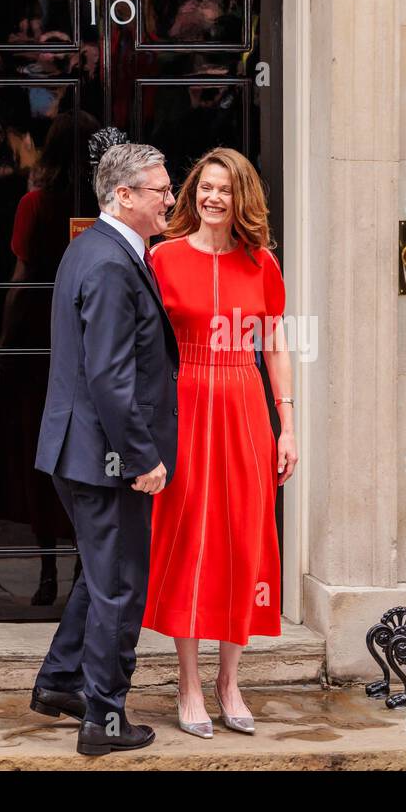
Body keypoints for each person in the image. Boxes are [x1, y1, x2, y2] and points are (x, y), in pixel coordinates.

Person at [142, 147, 298, 738]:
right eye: (205, 188)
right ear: (191, 195)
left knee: (241, 539)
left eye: (225, 190)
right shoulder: (162, 258)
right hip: (183, 406)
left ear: (242, 199)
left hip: (244, 408)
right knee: (187, 539)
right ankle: (188, 684)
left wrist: (288, 424)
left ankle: (230, 681)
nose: (213, 198)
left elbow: (274, 345)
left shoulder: (262, 265)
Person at [29, 142, 179, 756]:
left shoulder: (91, 247)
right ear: (124, 195)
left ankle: (62, 683)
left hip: (78, 450)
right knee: (120, 583)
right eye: (160, 189)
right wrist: (142, 457)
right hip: (104, 455)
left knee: (99, 575)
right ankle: (105, 718)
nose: (171, 198)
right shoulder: (114, 262)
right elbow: (111, 377)